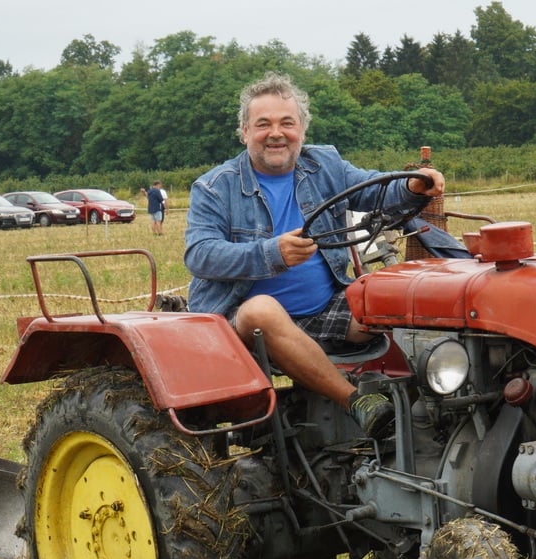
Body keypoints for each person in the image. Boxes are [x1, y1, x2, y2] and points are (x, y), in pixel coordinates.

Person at [185, 73, 444, 438]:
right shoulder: (215, 187)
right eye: (263, 125)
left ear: (302, 131)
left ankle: (434, 400)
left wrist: (411, 184)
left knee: (395, 298)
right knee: (263, 310)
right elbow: (200, 254)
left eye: (286, 123)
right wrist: (271, 253)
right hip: (239, 317)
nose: (276, 133)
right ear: (244, 132)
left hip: (323, 309)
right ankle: (357, 402)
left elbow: (373, 188)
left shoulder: (324, 165)